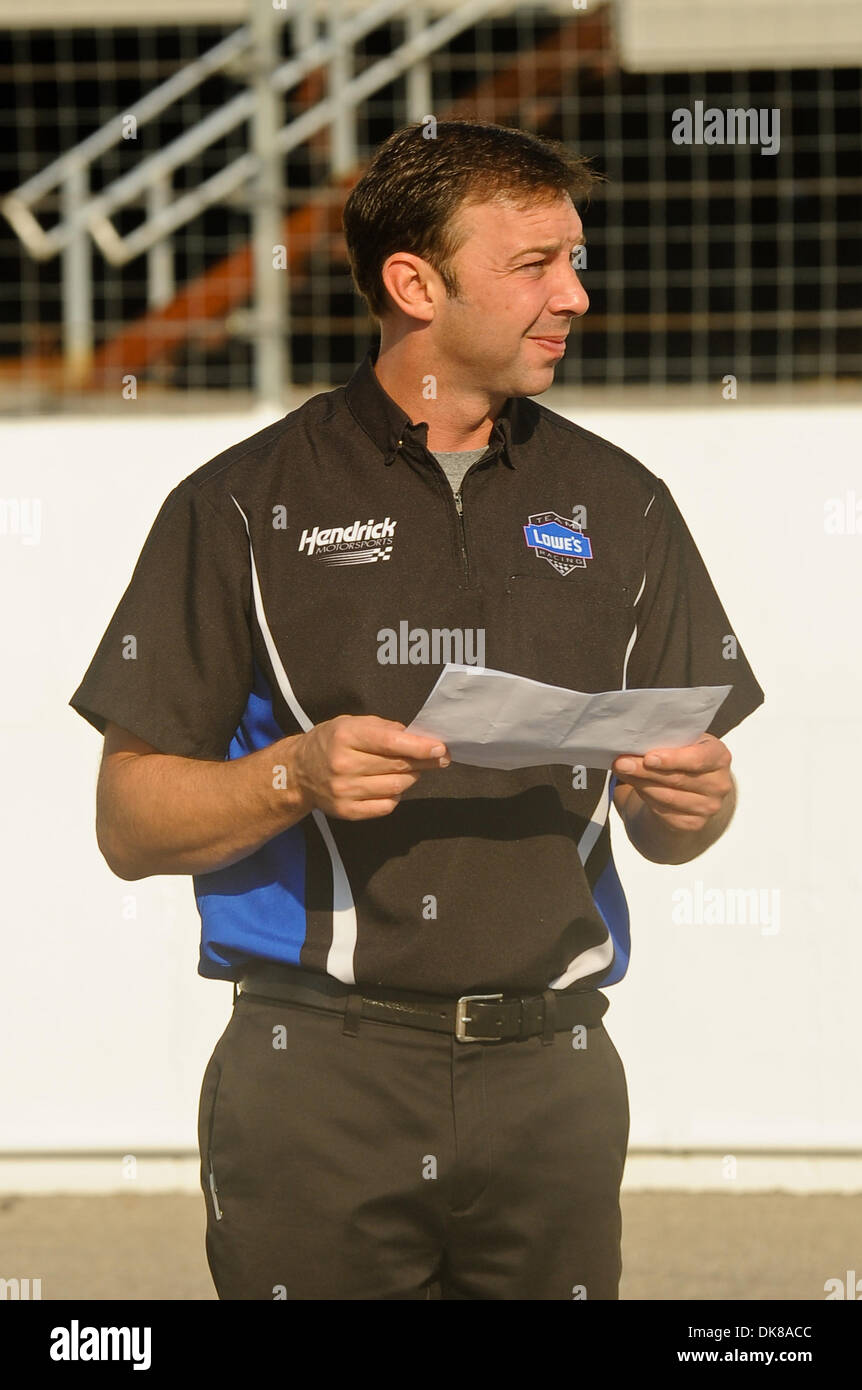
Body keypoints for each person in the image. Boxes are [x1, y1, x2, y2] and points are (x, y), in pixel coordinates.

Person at [69, 120, 764, 1301]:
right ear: (413, 283)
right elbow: (128, 824)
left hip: (557, 1076)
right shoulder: (236, 507)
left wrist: (698, 803)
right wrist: (293, 774)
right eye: (535, 263)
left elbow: (674, 822)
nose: (575, 296)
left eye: (576, 259)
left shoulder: (626, 504)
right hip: (317, 1085)